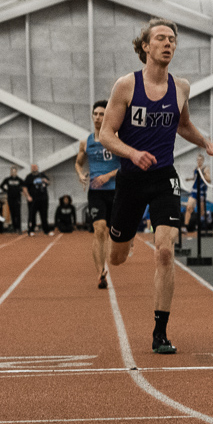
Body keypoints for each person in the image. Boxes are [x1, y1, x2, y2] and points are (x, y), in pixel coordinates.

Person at [98, 17, 213, 353]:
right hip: (130, 179)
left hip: (164, 177)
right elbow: (105, 134)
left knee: (166, 252)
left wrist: (207, 144)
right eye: (160, 38)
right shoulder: (126, 86)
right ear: (144, 46)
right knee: (117, 257)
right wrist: (132, 153)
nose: (168, 43)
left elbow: (184, 125)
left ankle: (160, 333)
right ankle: (122, 239)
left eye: (172, 39)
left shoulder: (181, 87)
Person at [76, 100, 120, 288]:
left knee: (113, 233)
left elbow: (126, 164)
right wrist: (81, 174)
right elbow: (78, 163)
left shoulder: (116, 137)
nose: (97, 118)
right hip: (96, 192)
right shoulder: (86, 142)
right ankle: (100, 272)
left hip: (116, 191)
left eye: (102, 114)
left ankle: (128, 242)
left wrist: (107, 176)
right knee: (99, 229)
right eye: (95, 114)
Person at [24, 163, 52, 235]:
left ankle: (46, 230)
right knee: (32, 215)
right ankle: (31, 230)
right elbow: (24, 188)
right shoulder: (29, 177)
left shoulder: (42, 175)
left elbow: (49, 183)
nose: (34, 168)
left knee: (44, 215)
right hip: (33, 199)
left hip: (43, 199)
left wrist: (46, 181)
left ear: (37, 168)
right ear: (31, 168)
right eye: (32, 167)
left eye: (35, 167)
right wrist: (28, 196)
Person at [0, 166, 26, 233]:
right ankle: (14, 227)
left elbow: (25, 186)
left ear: (16, 172)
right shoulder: (7, 179)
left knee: (18, 213)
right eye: (12, 172)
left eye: (14, 172)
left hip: (17, 198)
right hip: (10, 198)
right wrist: (5, 190)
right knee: (12, 213)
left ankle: (19, 228)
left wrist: (21, 190)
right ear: (10, 172)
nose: (13, 173)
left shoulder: (19, 179)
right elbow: (1, 186)